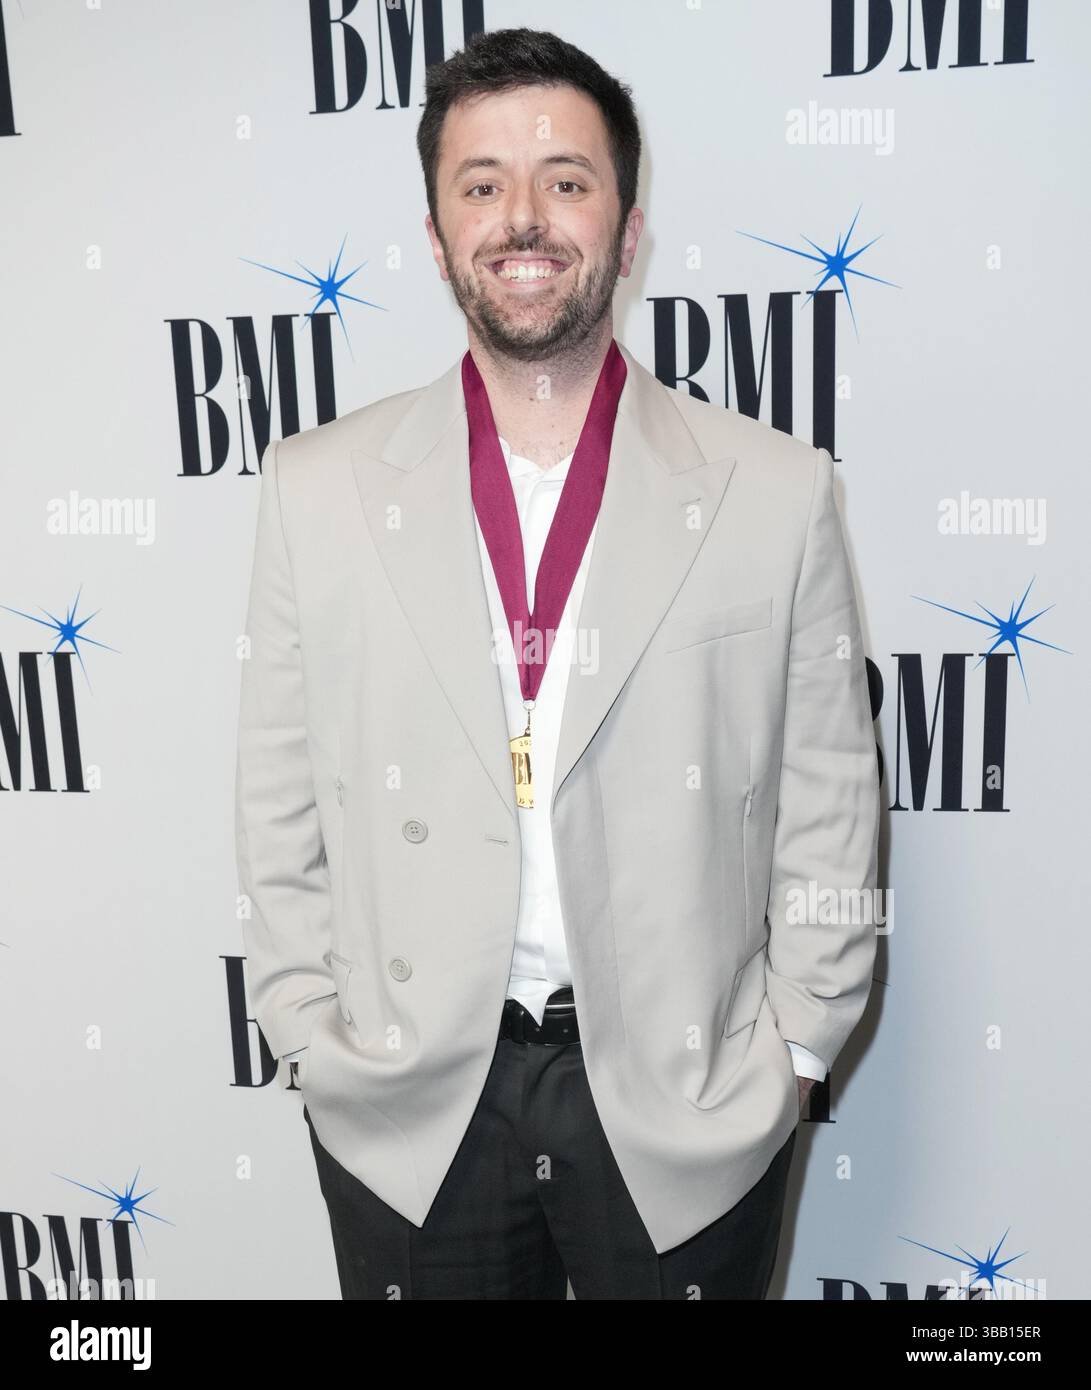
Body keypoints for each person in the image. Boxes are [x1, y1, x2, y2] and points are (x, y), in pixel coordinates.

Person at [234, 26, 880, 1300]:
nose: (522, 218)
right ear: (433, 234)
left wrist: (794, 1052)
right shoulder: (314, 491)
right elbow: (276, 796)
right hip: (412, 1100)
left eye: (564, 180)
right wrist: (311, 1034)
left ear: (626, 226)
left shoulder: (774, 490)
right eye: (481, 184)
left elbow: (830, 807)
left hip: (679, 1099)